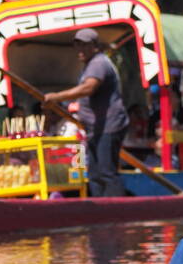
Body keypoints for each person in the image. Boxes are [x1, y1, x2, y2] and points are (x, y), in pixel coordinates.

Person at [43, 28, 129, 197]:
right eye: (78, 46)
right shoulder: (90, 65)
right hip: (95, 128)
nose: (80, 50)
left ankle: (117, 211)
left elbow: (89, 88)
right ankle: (99, 212)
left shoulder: (98, 63)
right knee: (95, 174)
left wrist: (57, 96)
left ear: (95, 47)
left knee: (106, 172)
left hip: (108, 126)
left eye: (84, 46)